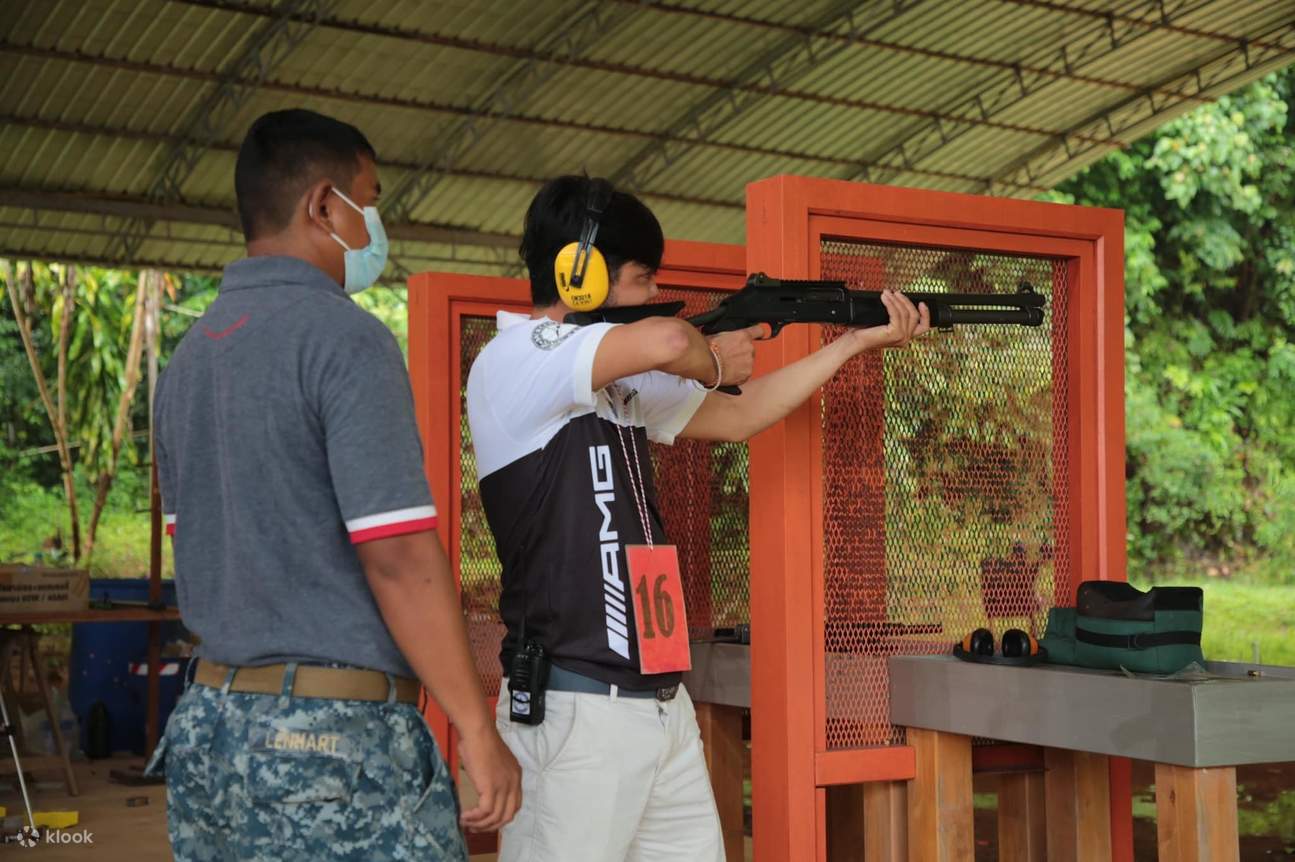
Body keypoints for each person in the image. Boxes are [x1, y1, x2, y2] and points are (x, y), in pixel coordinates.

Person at [465, 175, 929, 861]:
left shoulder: (611, 384)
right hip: (575, 707)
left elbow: (741, 415)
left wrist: (851, 345)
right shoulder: (516, 358)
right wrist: (711, 360)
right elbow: (662, 343)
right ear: (580, 276)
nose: (654, 295)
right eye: (642, 279)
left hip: (657, 701)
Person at [146, 109, 520, 861]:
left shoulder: (188, 362)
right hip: (329, 747)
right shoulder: (343, 337)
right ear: (323, 205)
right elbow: (399, 557)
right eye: (369, 199)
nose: (375, 223)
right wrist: (477, 730)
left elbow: (206, 551)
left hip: (209, 732)